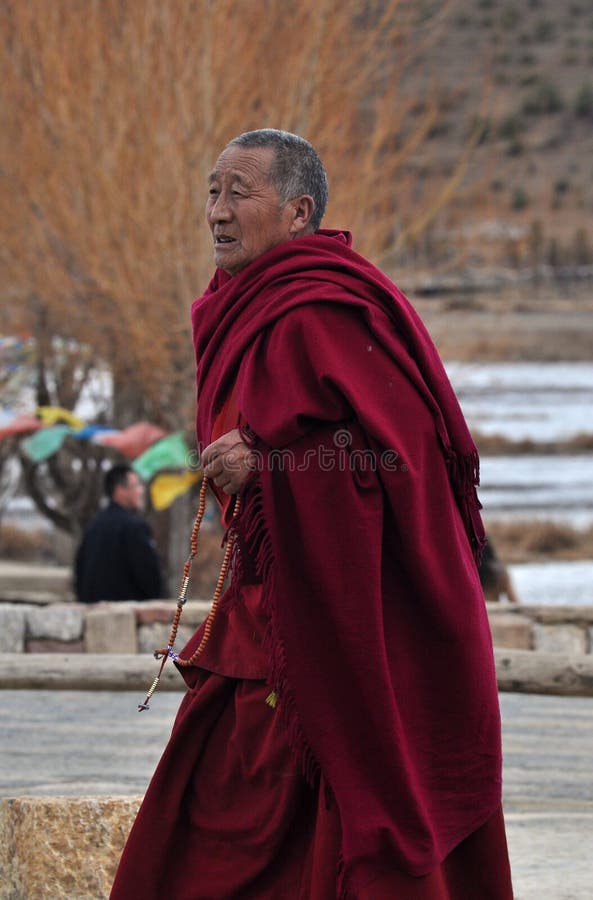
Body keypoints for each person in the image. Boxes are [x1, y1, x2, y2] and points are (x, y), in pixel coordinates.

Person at [111, 130, 513, 898]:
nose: (217, 212)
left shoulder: (327, 310)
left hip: (345, 627)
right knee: (215, 813)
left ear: (298, 213)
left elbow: (406, 464)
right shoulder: (243, 305)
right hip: (269, 616)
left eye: (239, 193)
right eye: (211, 191)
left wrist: (275, 466)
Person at [75, 464, 164, 603]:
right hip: (129, 614)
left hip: (92, 613)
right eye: (136, 486)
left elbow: (79, 575)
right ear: (120, 490)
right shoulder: (135, 527)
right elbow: (150, 578)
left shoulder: (93, 525)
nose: (141, 491)